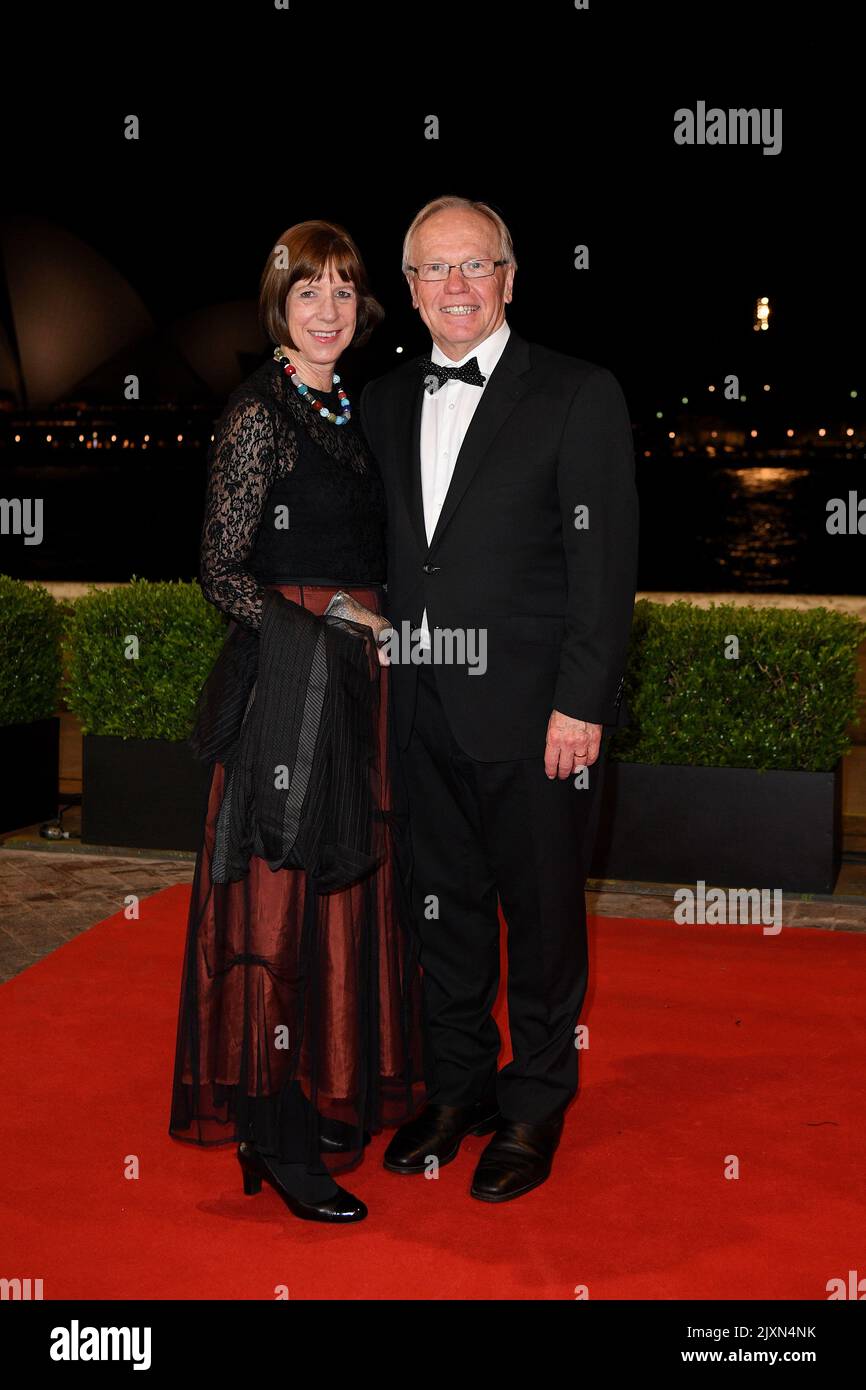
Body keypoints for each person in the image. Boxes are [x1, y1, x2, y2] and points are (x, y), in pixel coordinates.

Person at [360, 195, 639, 1203]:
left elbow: (601, 569)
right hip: (419, 709)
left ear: (510, 278)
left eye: (474, 265)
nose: (456, 287)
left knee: (544, 916)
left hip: (535, 718)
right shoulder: (385, 400)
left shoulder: (577, 393)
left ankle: (531, 1104)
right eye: (434, 270)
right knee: (444, 912)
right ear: (411, 290)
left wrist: (582, 703)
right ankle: (458, 1089)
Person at [169, 220, 424, 1223]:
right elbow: (220, 573)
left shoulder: (347, 406)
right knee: (272, 910)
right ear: (277, 308)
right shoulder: (259, 412)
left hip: (354, 685)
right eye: (306, 292)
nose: (326, 310)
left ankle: (322, 1095)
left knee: (340, 899)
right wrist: (331, 618)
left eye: (342, 292)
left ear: (361, 309)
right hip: (288, 692)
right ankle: (271, 1137)